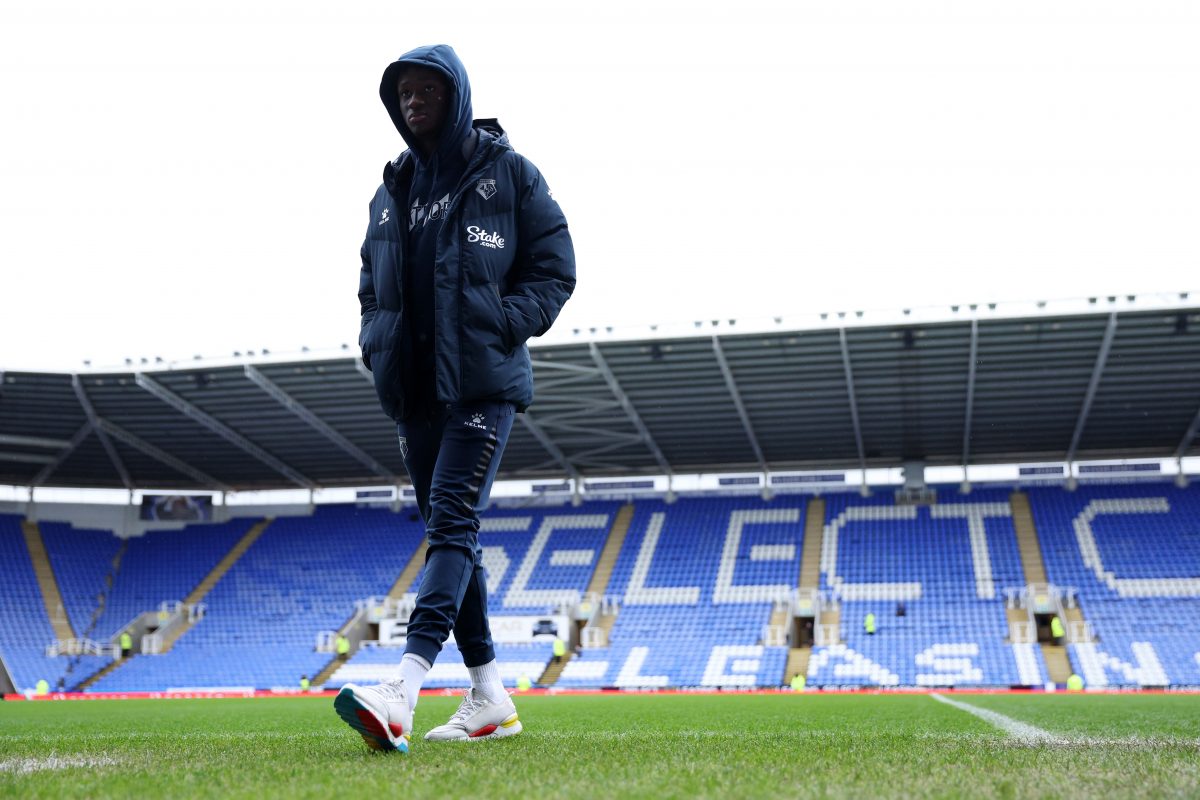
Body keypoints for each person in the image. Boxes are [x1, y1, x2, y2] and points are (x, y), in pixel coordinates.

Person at [334, 44, 575, 756]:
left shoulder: (510, 175)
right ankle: (491, 695)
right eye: (402, 92)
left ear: (457, 96)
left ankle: (401, 689)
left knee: (451, 522)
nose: (413, 101)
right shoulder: (391, 192)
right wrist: (377, 342)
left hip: (479, 385)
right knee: (453, 538)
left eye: (426, 90)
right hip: (414, 394)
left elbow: (556, 267)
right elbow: (370, 288)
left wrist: (503, 324)